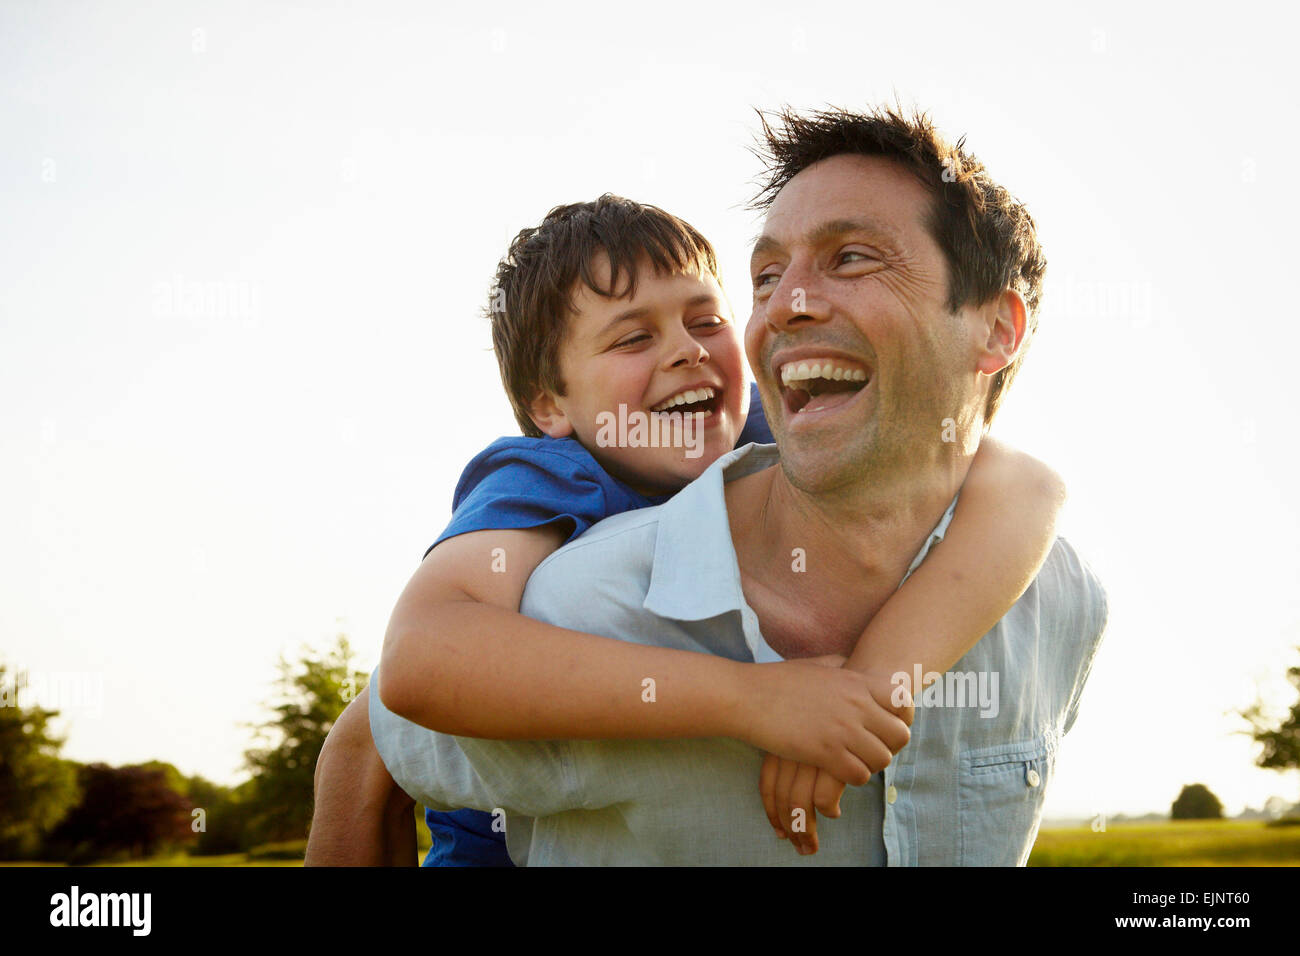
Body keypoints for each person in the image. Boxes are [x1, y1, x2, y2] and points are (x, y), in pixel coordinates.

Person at [312, 106, 1103, 864]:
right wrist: (754, 700)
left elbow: (1026, 485)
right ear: (551, 406)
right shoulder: (546, 479)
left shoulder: (771, 425)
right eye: (632, 337)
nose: (689, 353)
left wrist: (876, 683)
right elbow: (420, 659)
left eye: (706, 319)